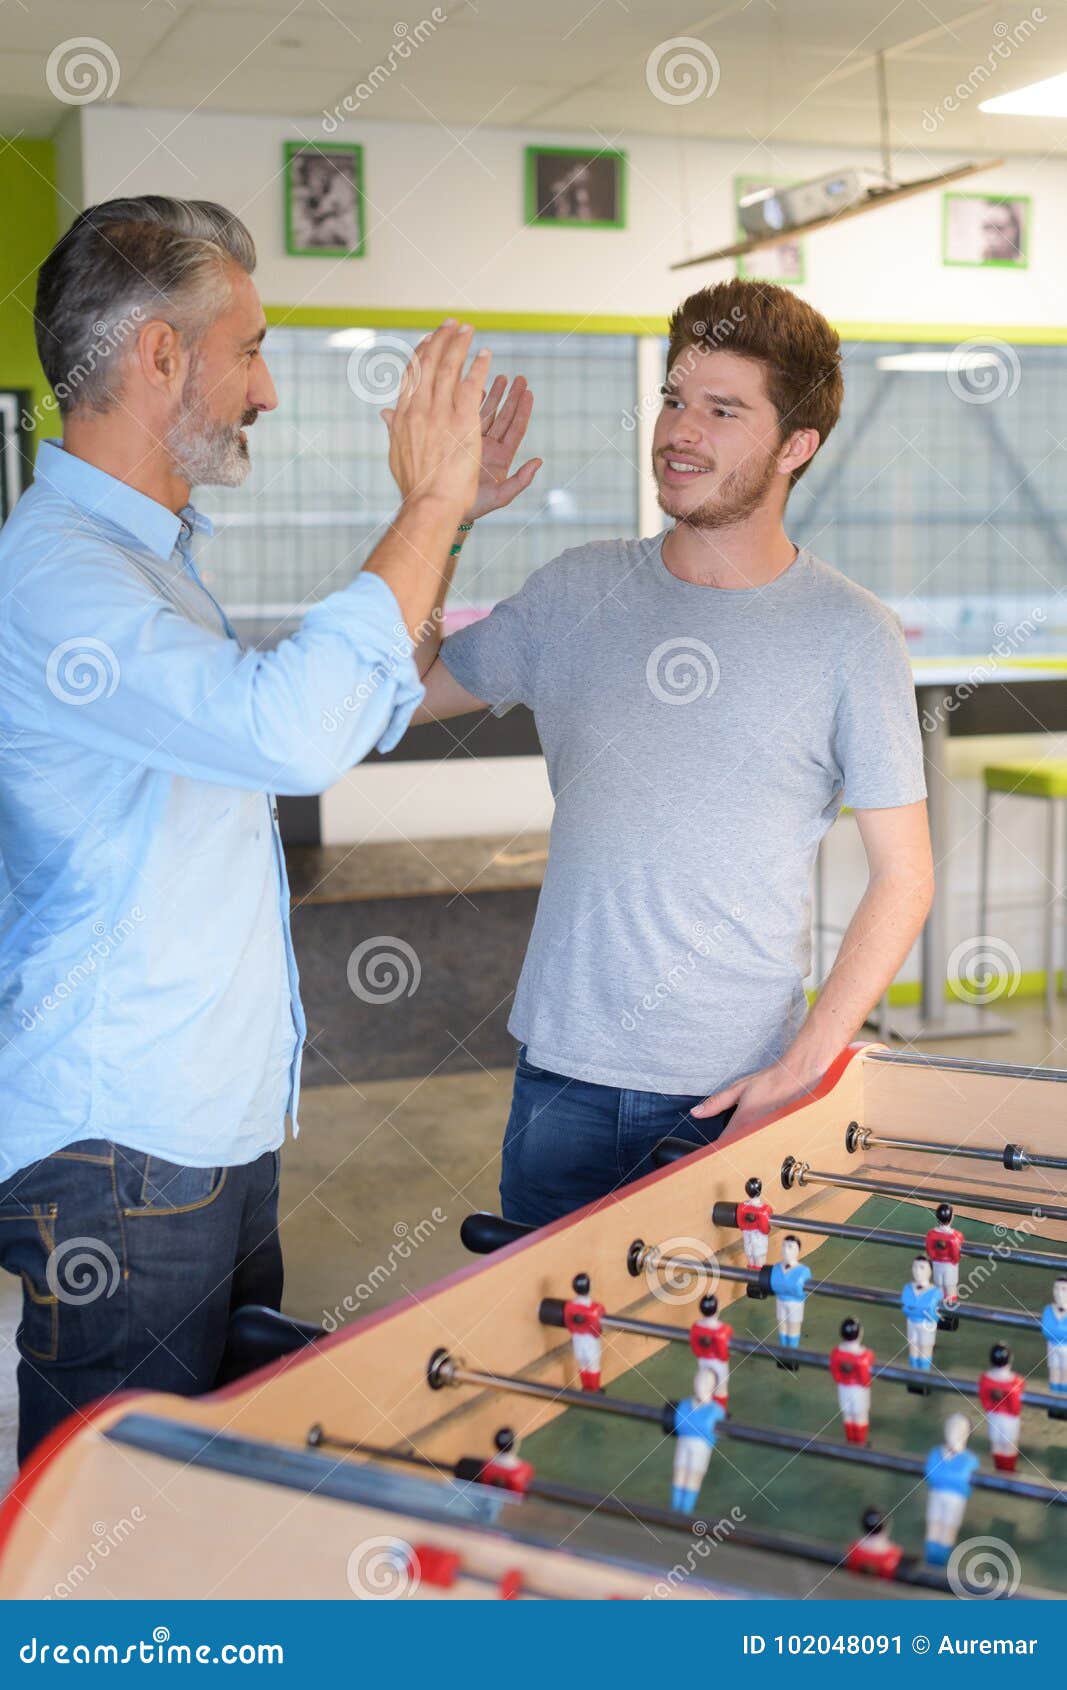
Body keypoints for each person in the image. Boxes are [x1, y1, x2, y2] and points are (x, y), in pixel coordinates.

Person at [0, 195, 538, 1465]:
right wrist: (422, 500)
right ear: (161, 357)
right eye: (250, 349)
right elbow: (296, 735)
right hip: (125, 1151)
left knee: (210, 1485)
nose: (269, 390)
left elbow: (336, 705)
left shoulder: (145, 560)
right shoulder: (63, 575)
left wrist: (446, 521)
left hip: (200, 1132)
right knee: (114, 1526)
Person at [406, 277, 933, 1227]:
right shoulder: (577, 593)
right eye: (674, 400)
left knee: (710, 1372)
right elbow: (391, 698)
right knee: (549, 1366)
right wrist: (444, 515)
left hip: (731, 1090)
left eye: (722, 410)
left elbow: (904, 877)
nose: (679, 431)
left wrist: (802, 1067)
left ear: (795, 446)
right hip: (558, 1080)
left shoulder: (850, 635)